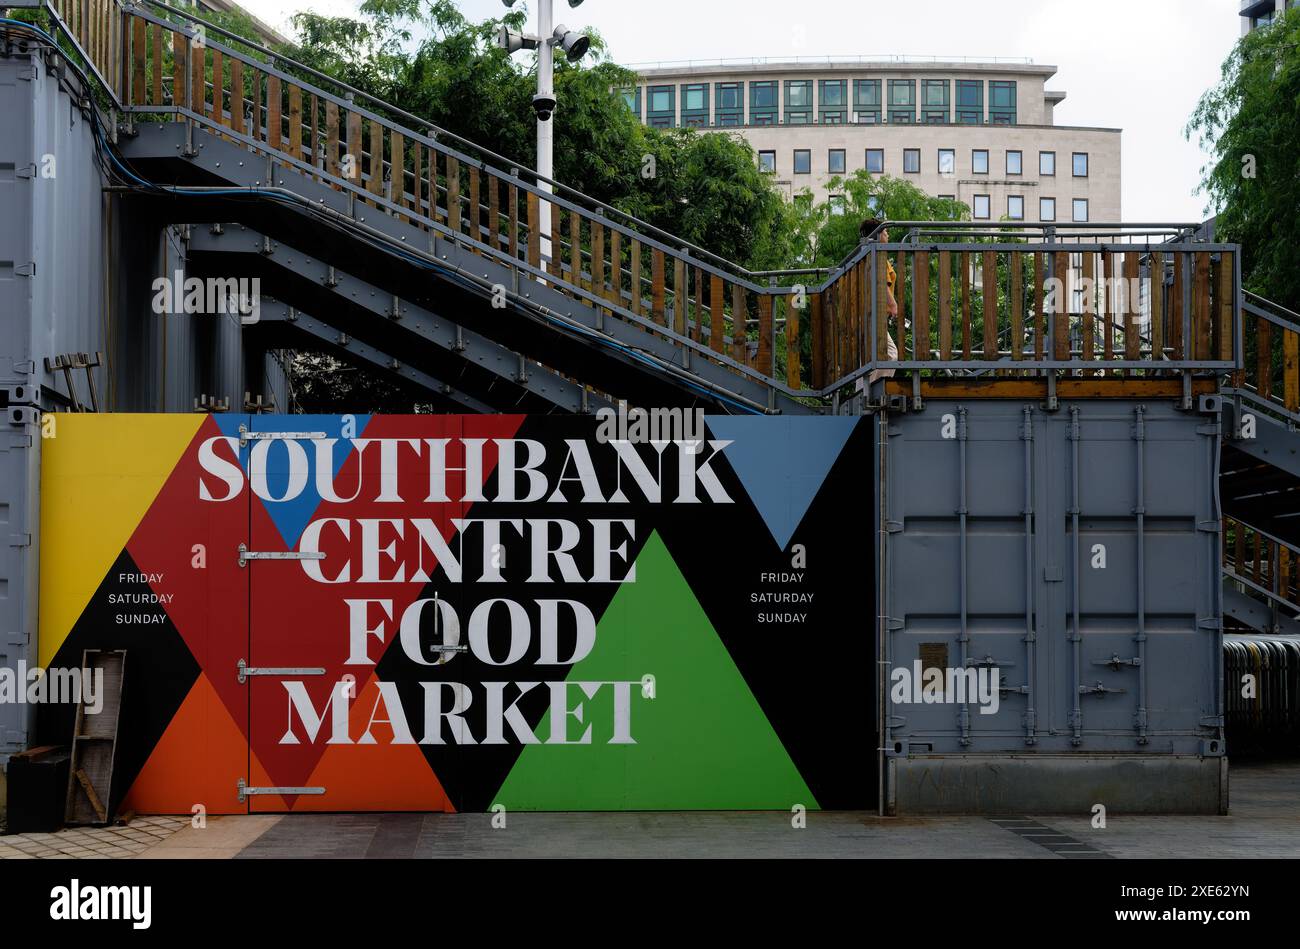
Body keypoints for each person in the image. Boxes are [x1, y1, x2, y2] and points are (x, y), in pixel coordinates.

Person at [855, 218, 899, 392]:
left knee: (868, 356)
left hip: (867, 313)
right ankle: (877, 388)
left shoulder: (867, 255)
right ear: (879, 234)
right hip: (876, 313)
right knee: (890, 354)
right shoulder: (879, 257)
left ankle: (863, 391)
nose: (888, 235)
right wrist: (893, 305)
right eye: (886, 232)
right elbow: (881, 283)